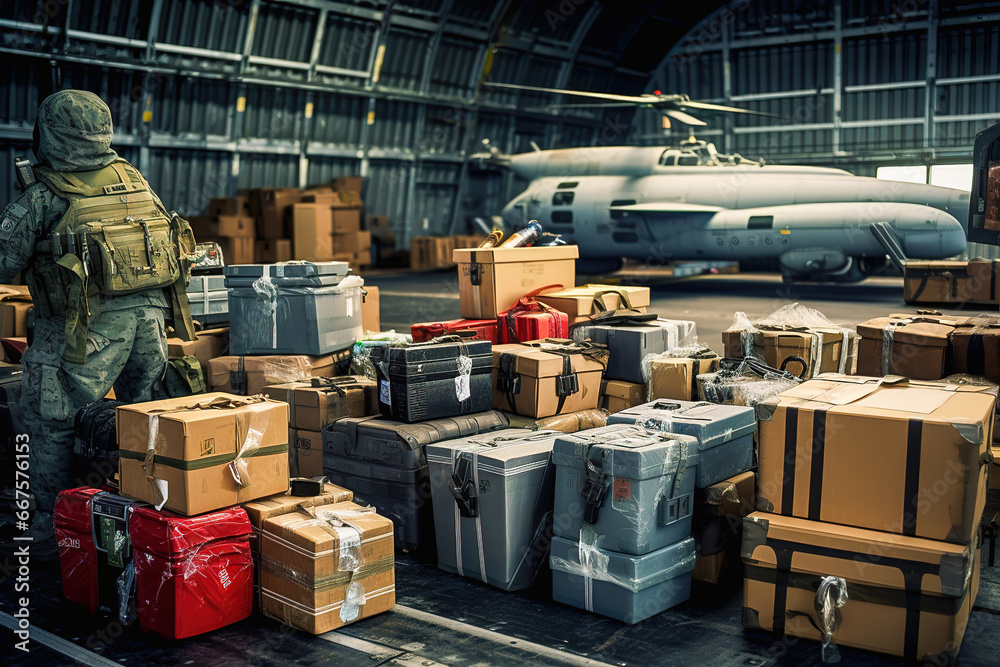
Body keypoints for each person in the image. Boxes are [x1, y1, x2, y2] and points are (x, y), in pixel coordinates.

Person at [0, 90, 197, 543]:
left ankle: (52, 529)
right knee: (144, 415)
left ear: (48, 134)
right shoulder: (134, 178)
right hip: (151, 323)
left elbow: (5, 263)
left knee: (50, 418)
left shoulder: (45, 195)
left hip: (82, 330)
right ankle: (150, 514)